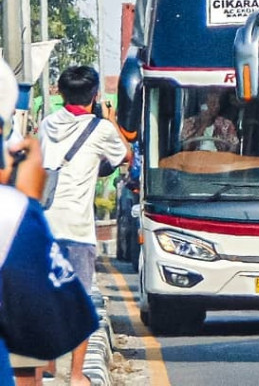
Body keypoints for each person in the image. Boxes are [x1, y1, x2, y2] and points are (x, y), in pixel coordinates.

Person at [0, 59, 99, 386]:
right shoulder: (12, 216)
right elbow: (41, 334)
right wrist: (26, 199)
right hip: (74, 231)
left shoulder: (47, 126)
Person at [39, 66, 130, 386]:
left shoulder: (46, 124)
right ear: (94, 97)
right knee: (78, 303)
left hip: (44, 227)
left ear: (61, 95)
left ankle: (45, 368)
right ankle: (77, 376)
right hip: (77, 230)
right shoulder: (101, 129)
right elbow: (125, 156)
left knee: (45, 300)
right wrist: (110, 117)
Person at [180, 87, 239, 152]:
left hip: (219, 160)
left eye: (218, 103)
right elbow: (186, 148)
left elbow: (234, 147)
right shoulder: (190, 123)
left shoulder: (226, 124)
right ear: (203, 105)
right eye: (213, 103)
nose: (217, 106)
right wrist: (203, 125)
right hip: (195, 160)